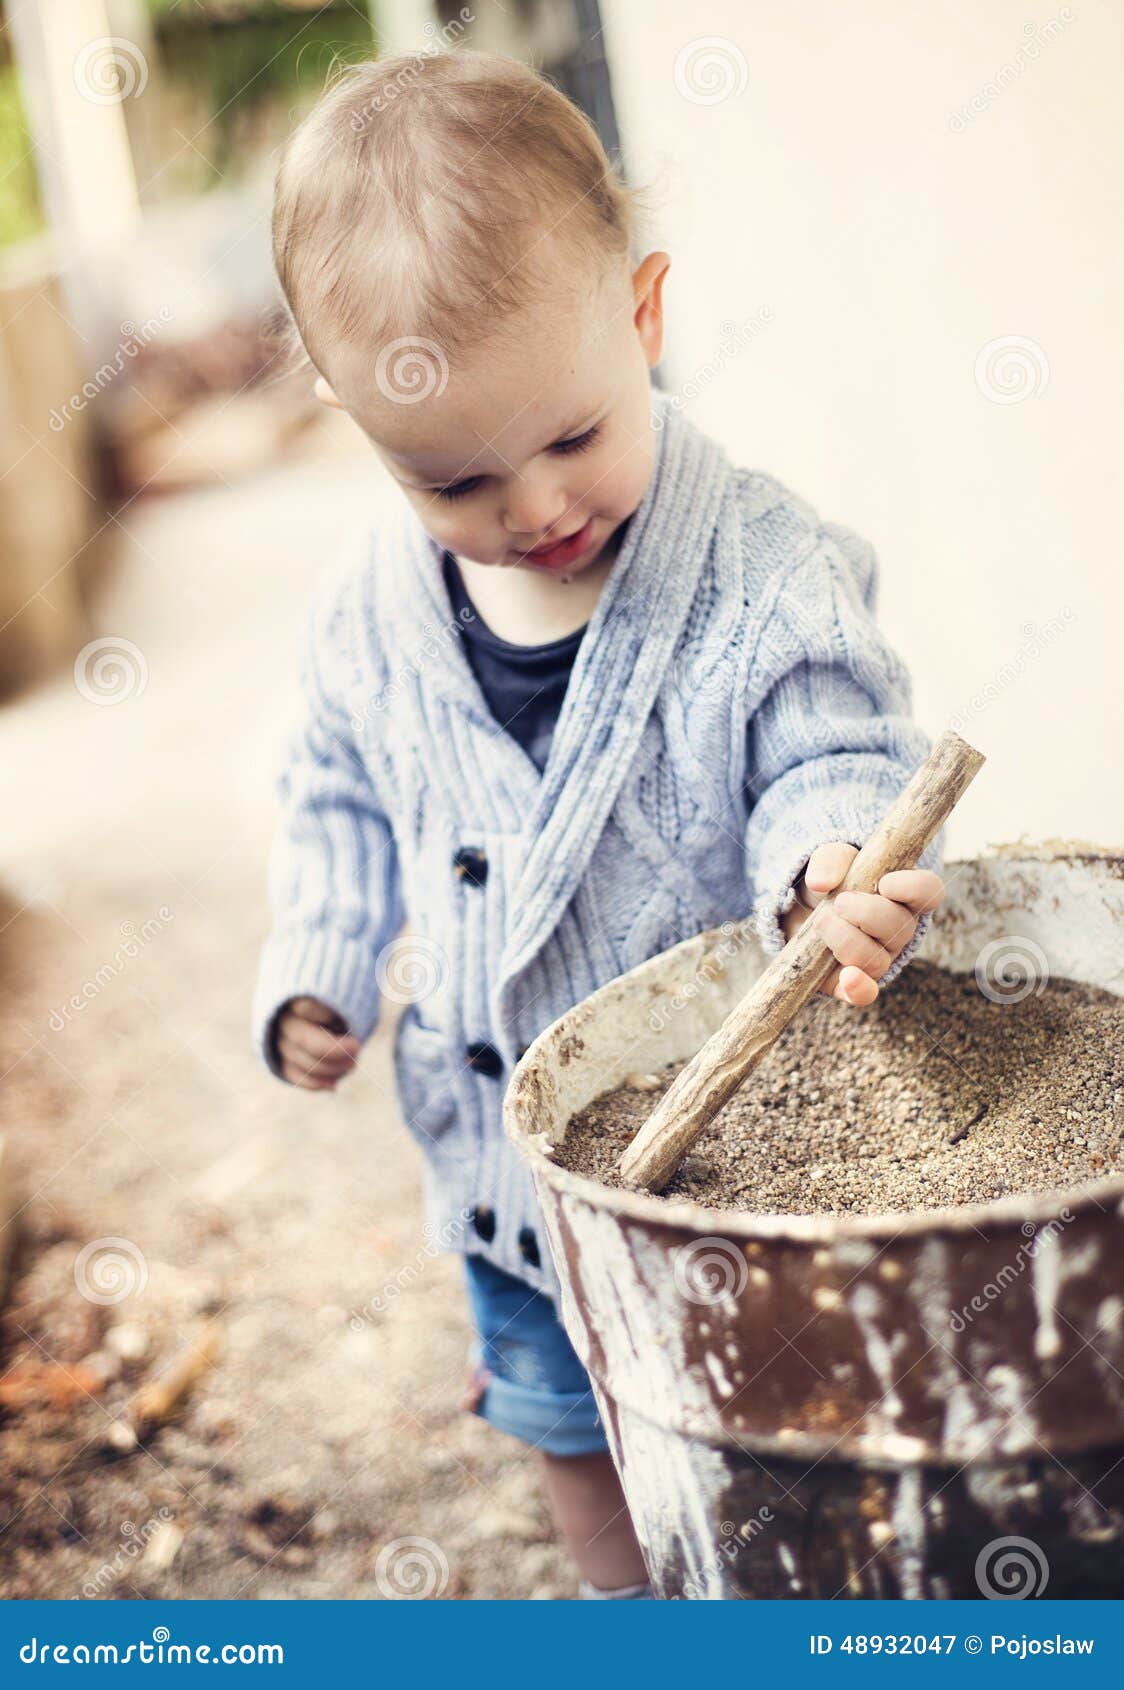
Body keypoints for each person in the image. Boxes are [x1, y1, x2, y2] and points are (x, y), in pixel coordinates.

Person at [251, 49, 944, 1599]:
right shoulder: (369, 613)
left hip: (732, 1166)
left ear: (642, 317)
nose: (535, 507)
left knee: (770, 1437)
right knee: (576, 1440)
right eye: (455, 477)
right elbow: (335, 791)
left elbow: (833, 737)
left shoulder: (757, 566)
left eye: (571, 436)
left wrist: (831, 858)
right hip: (517, 1190)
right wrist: (321, 957)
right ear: (357, 425)